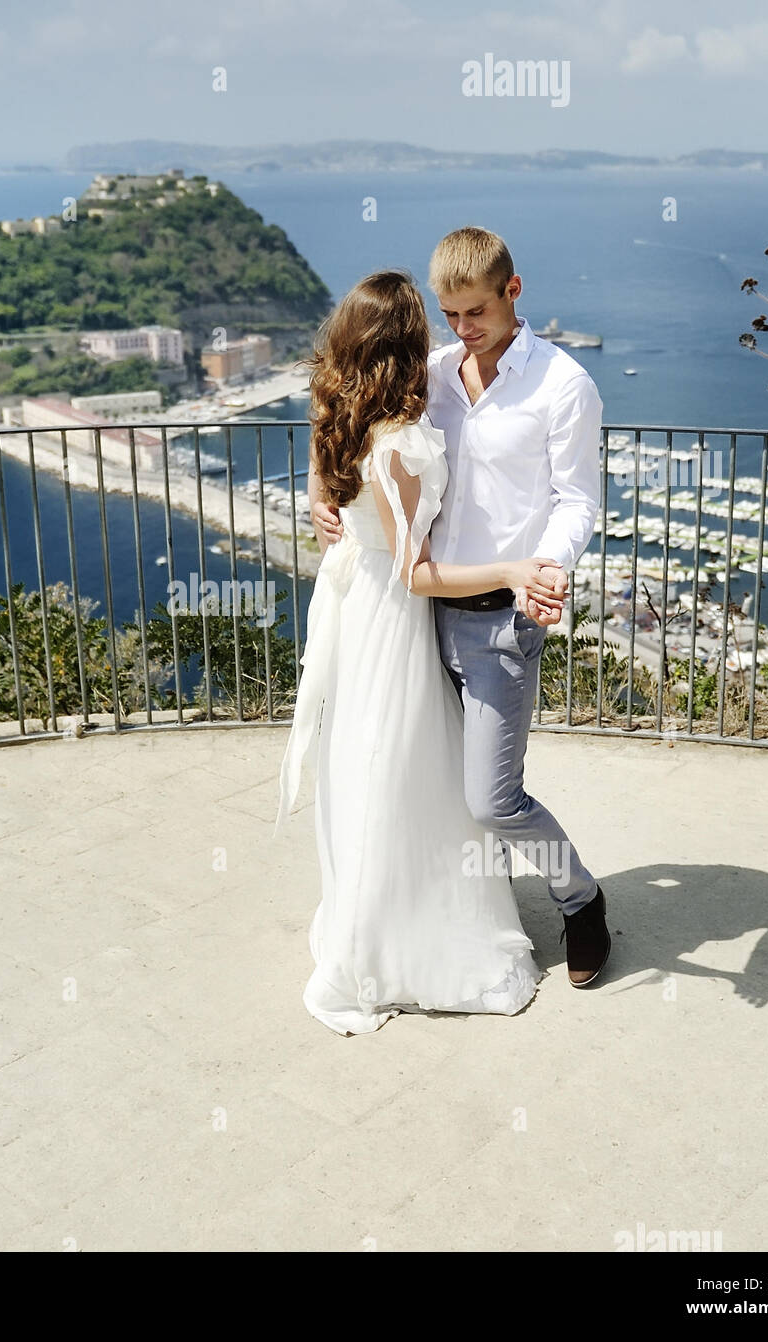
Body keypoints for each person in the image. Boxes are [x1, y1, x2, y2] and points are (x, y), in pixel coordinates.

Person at [310, 228, 611, 992]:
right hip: (413, 618)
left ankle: (580, 900)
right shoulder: (432, 375)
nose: (463, 329)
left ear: (514, 291)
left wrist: (547, 567)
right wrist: (320, 497)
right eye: (449, 315)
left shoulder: (564, 385)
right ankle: (444, 920)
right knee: (427, 787)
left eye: (475, 311)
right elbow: (349, 411)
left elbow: (578, 501)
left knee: (491, 797)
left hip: (502, 618)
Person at [273, 269, 568, 1036]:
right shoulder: (400, 440)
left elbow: (322, 480)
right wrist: (510, 569)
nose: (447, 335)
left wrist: (320, 505)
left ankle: (365, 913)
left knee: (366, 757)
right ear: (407, 345)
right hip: (397, 610)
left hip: (354, 599)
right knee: (403, 766)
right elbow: (417, 571)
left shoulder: (334, 404)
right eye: (432, 326)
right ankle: (394, 936)